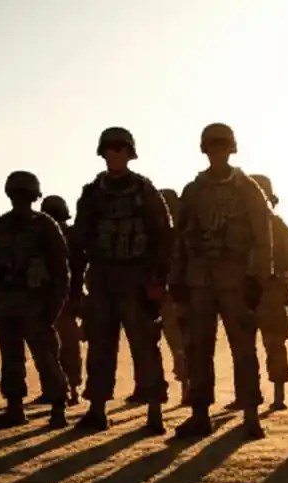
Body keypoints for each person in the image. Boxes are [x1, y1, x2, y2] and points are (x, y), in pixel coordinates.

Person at [171, 122, 271, 439]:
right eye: (212, 146)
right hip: (200, 279)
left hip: (236, 279)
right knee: (198, 347)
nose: (217, 151)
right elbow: (180, 237)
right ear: (205, 149)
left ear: (231, 149)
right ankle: (200, 414)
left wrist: (258, 276)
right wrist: (178, 278)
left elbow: (262, 235)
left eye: (222, 146)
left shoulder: (247, 189)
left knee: (243, 347)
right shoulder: (194, 190)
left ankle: (251, 416)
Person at [72, 126, 173, 434]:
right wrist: (77, 284)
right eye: (110, 149)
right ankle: (97, 408)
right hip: (102, 277)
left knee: (145, 345)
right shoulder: (92, 192)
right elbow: (80, 239)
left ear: (130, 153)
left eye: (121, 149)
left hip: (137, 277)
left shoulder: (144, 191)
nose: (115, 154)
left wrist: (158, 278)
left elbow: (162, 235)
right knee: (100, 346)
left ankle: (154, 411)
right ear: (103, 153)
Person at [0, 172, 69, 428]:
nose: (19, 200)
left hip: (37, 306)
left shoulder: (45, 226)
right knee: (11, 358)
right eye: (16, 194)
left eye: (24, 195)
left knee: (46, 358)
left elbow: (60, 270)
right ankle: (15, 407)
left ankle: (58, 408)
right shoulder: (0, 226)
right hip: (8, 305)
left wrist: (53, 307)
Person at [251, 174, 288, 411]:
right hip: (253, 291)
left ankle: (275, 394)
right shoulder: (277, 226)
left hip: (269, 291)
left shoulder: (277, 227)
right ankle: (255, 395)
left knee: (272, 345)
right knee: (256, 346)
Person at [40, 194, 83, 406]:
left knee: (60, 345)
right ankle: (67, 388)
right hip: (56, 298)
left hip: (59, 298)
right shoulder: (62, 234)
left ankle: (68, 388)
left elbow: (78, 269)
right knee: (59, 345)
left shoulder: (63, 236)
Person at [158, 188, 189, 403]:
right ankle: (188, 386)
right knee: (182, 345)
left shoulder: (174, 234)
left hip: (179, 294)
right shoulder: (176, 233)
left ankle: (188, 386)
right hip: (176, 294)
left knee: (180, 345)